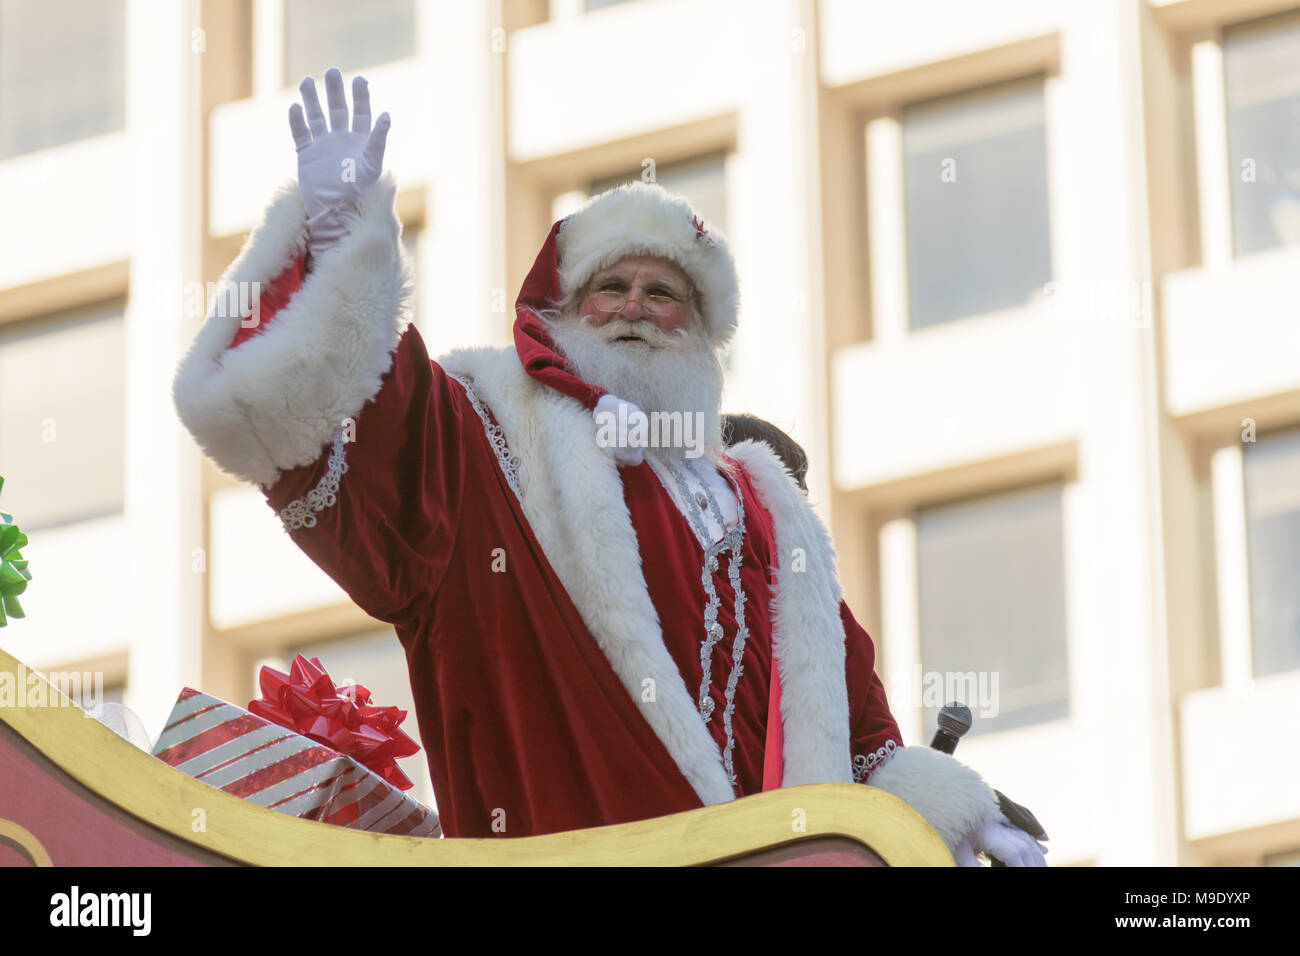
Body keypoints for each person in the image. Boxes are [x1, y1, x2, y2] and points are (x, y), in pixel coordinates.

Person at [173, 68, 1046, 866]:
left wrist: (946, 812)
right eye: (610, 287)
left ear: (700, 335)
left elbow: (857, 731)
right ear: (567, 310)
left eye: (664, 293)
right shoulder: (495, 437)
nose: (635, 306)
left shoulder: (767, 514)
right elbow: (382, 425)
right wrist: (341, 248)